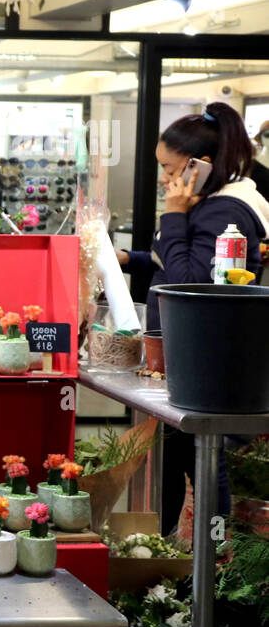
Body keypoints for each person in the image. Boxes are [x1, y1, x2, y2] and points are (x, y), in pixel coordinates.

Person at [115, 101, 269, 532]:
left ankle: (212, 562)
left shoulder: (227, 212)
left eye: (169, 167)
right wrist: (129, 258)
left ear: (199, 166)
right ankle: (174, 556)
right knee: (180, 459)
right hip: (182, 362)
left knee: (204, 464)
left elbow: (188, 283)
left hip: (206, 366)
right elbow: (174, 260)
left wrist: (174, 213)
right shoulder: (208, 205)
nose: (165, 179)